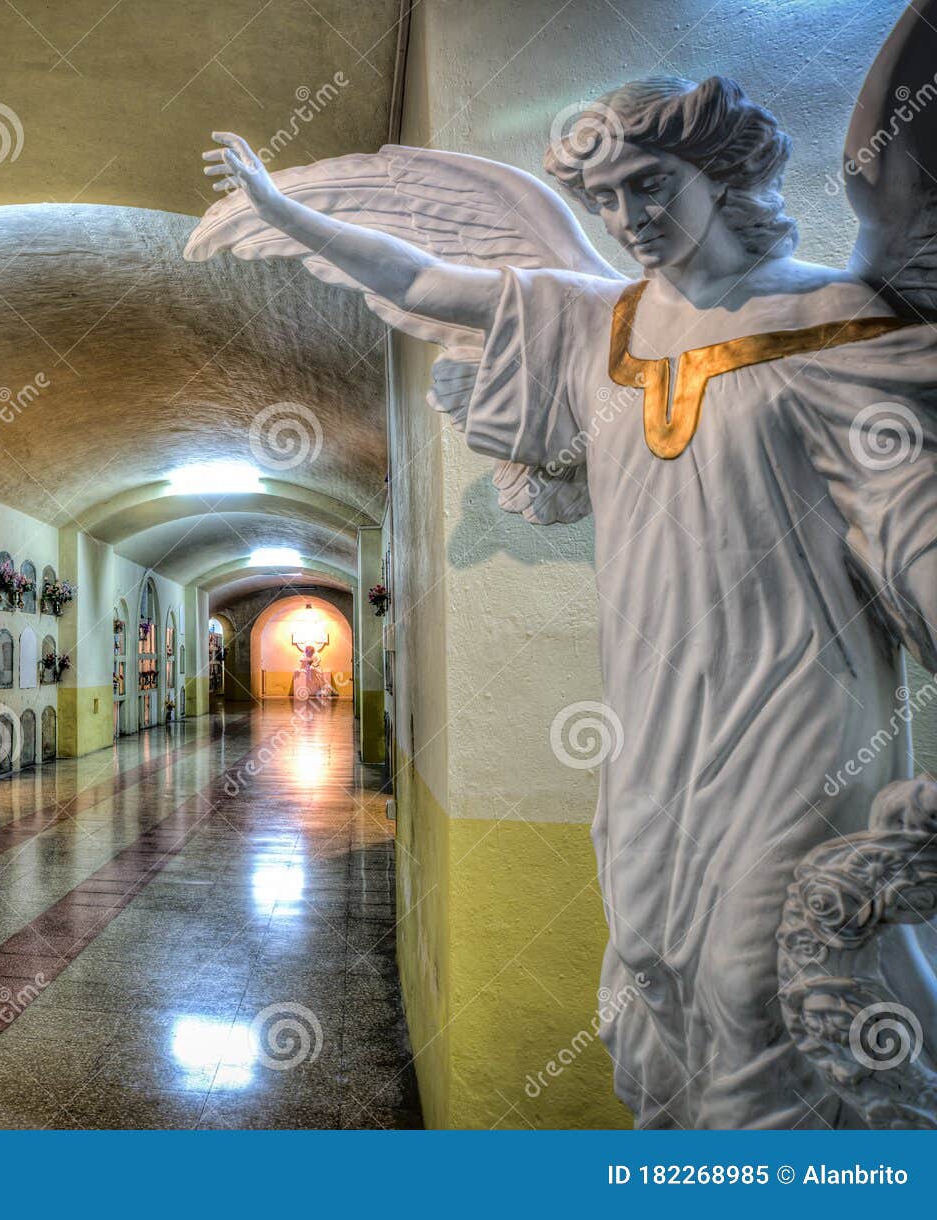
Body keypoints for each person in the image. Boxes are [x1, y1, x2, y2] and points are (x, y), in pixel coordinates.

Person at [200, 74, 937, 1126]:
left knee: (754, 974)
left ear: (722, 172)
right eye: (603, 198)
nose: (628, 217)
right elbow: (418, 275)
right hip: (650, 709)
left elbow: (912, 515)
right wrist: (283, 209)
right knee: (652, 956)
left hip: (800, 706)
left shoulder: (833, 321)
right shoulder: (595, 324)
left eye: (649, 184)